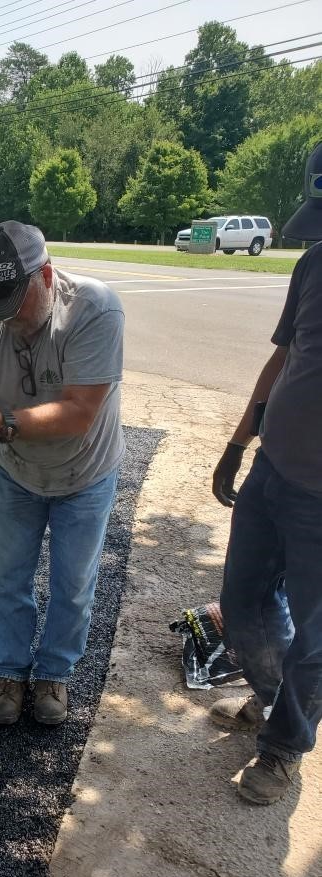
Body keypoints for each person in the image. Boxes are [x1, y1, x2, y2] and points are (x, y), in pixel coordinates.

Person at [0, 220, 124, 727]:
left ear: (45, 276)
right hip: (18, 472)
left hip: (85, 472)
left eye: (16, 302)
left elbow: (79, 412)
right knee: (8, 577)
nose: (8, 317)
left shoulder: (95, 309)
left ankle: (53, 673)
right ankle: (9, 672)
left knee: (73, 583)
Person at [210, 140, 322, 805]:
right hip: (272, 470)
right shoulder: (313, 265)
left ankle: (284, 747)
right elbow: (284, 357)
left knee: (316, 638)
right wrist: (239, 439)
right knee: (243, 602)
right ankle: (275, 697)